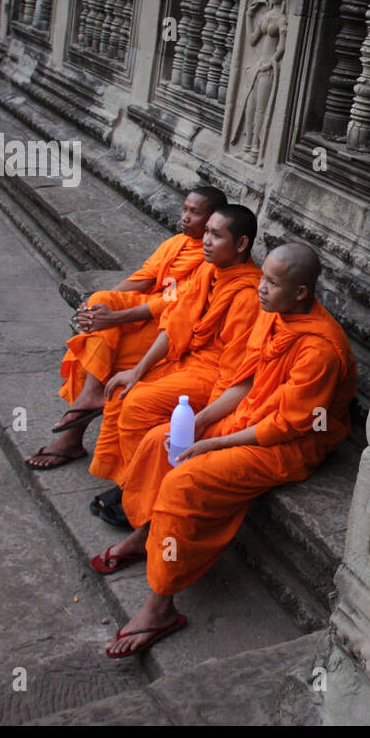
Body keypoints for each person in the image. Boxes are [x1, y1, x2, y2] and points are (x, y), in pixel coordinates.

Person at [94, 243, 356, 658]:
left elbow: (285, 424)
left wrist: (213, 441)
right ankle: (145, 532)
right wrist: (200, 422)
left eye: (272, 282)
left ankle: (159, 608)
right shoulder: (274, 317)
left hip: (285, 444)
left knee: (184, 482)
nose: (262, 288)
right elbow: (245, 383)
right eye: (263, 277)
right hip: (248, 418)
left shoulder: (319, 349)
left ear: (302, 292)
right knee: (161, 441)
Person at [25, 187, 226, 471]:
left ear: (211, 221)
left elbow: (174, 303)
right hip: (147, 315)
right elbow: (142, 278)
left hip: (173, 327)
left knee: (103, 353)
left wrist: (115, 319)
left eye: (195, 213)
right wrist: (95, 309)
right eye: (184, 209)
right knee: (99, 315)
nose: (184, 217)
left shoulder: (213, 259)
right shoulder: (176, 243)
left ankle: (73, 434)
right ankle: (89, 399)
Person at [85, 204, 264, 511]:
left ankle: (138, 500)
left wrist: (208, 419)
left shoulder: (248, 294)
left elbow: (235, 370)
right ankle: (129, 484)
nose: (205, 240)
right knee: (123, 387)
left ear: (241, 244)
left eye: (216, 235)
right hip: (185, 359)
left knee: (139, 404)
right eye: (206, 231)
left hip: (210, 374)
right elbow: (175, 322)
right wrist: (138, 370)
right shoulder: (209, 271)